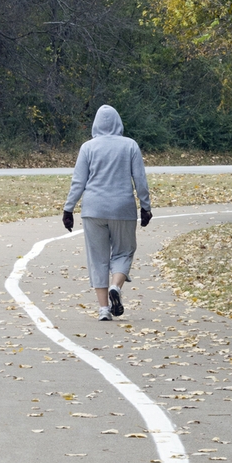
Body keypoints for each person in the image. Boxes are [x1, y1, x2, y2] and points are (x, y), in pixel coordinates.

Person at [62, 104, 152, 320]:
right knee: (124, 251)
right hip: (123, 209)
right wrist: (145, 206)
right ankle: (116, 287)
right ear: (118, 122)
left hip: (93, 209)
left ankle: (103, 310)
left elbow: (78, 181)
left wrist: (68, 208)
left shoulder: (88, 147)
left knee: (98, 258)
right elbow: (140, 179)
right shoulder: (130, 145)